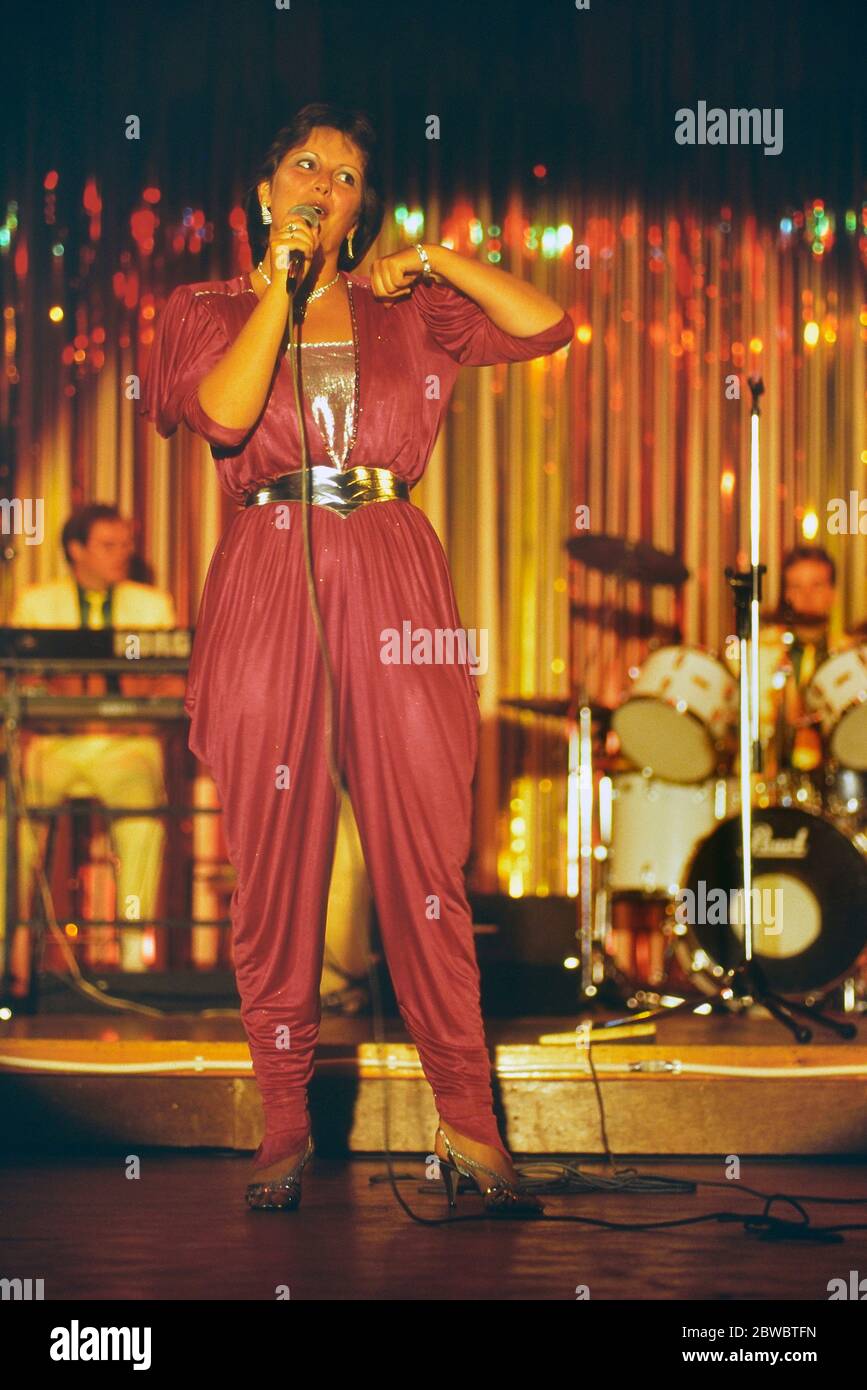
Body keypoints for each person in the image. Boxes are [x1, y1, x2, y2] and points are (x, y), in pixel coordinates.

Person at [140, 102, 574, 1215]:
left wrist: (434, 258)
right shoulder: (201, 308)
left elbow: (548, 321)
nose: (325, 183)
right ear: (264, 192)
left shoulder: (411, 308)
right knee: (275, 866)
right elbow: (228, 419)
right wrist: (279, 291)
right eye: (304, 164)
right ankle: (284, 1121)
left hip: (390, 561)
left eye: (345, 176)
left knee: (424, 854)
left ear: (358, 209)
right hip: (265, 565)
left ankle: (470, 1122)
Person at [6, 505, 175, 977]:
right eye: (108, 545)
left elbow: (170, 683)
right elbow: (22, 682)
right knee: (12, 821)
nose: (122, 553)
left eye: (125, 544)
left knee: (144, 822)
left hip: (126, 744)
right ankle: (8, 956)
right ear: (76, 550)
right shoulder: (37, 603)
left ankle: (130, 961)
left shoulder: (152, 604)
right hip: (54, 746)